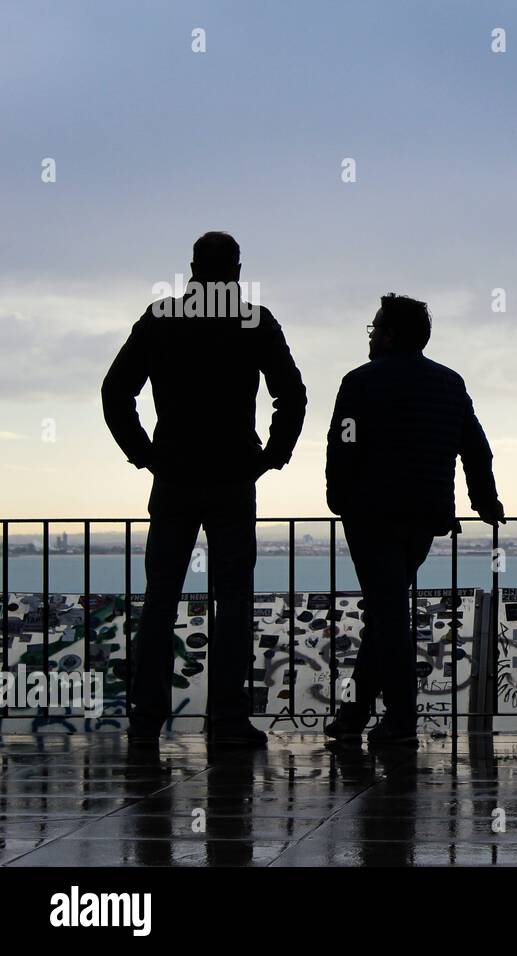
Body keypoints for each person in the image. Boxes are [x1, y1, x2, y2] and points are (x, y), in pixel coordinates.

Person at [102, 231, 307, 747]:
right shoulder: (255, 320)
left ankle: (147, 719)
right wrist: (271, 456)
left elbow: (115, 390)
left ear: (191, 267)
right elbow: (292, 395)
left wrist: (143, 452)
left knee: (161, 597)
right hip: (234, 477)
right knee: (234, 599)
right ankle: (229, 720)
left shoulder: (160, 317)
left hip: (173, 476)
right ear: (237, 270)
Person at [324, 293, 504, 747]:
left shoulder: (360, 382)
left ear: (388, 334)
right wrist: (485, 502)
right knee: (386, 613)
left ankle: (401, 722)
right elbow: (474, 447)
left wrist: (339, 499)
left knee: (387, 614)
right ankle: (356, 714)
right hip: (425, 516)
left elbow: (342, 443)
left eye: (374, 328)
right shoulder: (449, 383)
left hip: (371, 515)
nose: (370, 336)